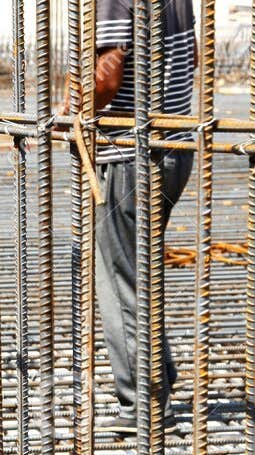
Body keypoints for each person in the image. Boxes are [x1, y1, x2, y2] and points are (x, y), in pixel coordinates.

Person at [86, 0, 198, 420]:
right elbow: (194, 57)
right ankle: (159, 375)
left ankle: (144, 400)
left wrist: (72, 113)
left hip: (130, 155)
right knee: (141, 269)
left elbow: (107, 78)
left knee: (120, 279)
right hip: (175, 145)